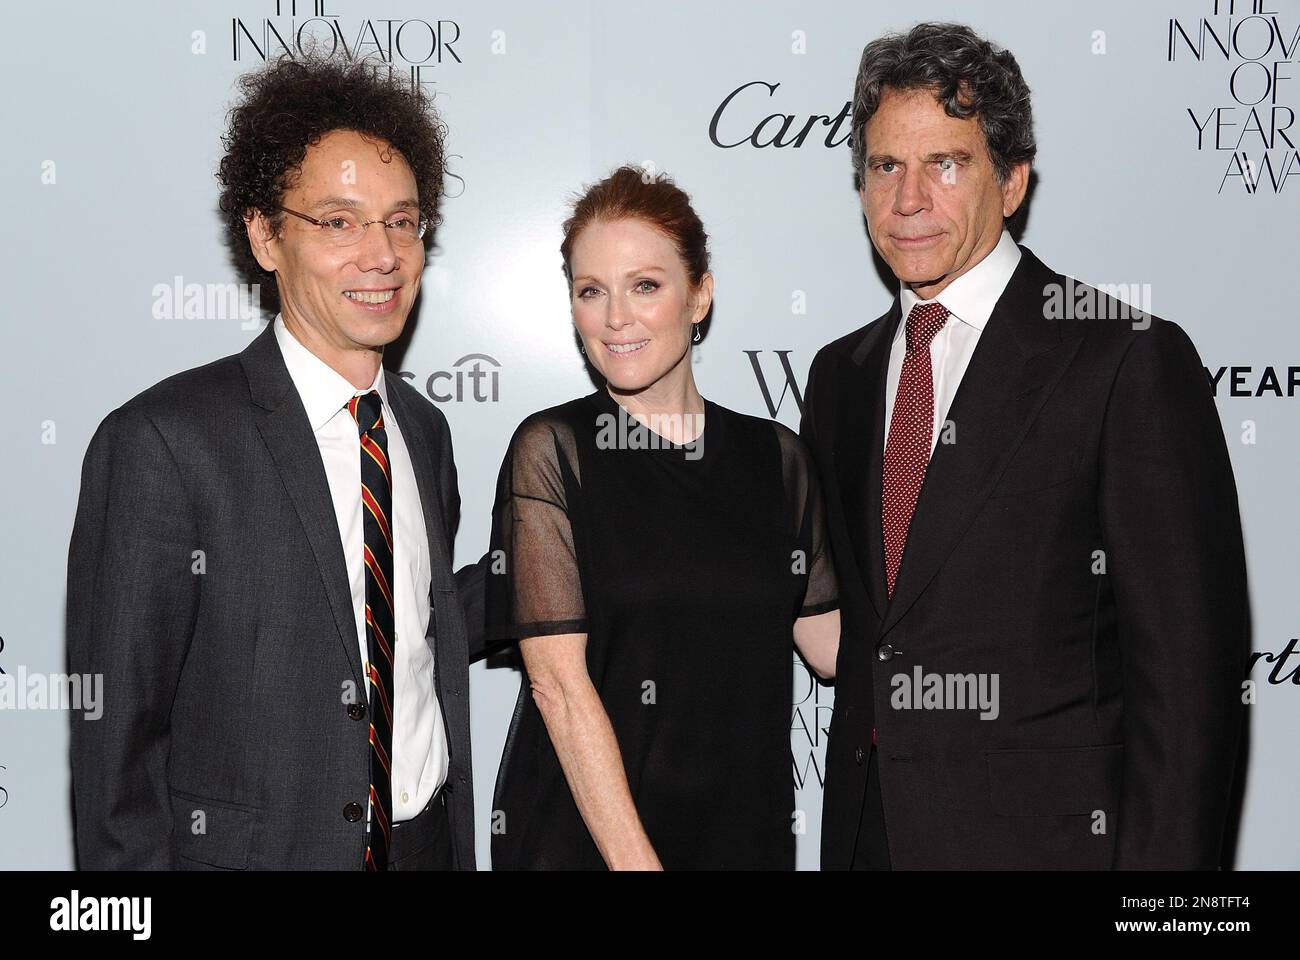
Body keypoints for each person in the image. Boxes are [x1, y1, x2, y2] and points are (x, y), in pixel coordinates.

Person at [803, 22, 1249, 870]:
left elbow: (1191, 692)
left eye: (946, 163)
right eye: (885, 165)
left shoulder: (1123, 359)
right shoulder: (841, 377)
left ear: (1011, 181)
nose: (907, 199)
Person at [67, 55, 479, 870]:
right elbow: (117, 757)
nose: (382, 254)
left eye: (402, 221)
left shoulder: (424, 433)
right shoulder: (163, 443)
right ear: (265, 235)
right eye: (338, 221)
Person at [484, 166, 841, 870]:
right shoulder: (554, 451)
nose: (617, 316)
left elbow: (831, 648)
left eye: (645, 285)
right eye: (592, 291)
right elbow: (557, 683)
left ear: (700, 296)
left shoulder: (776, 458)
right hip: (592, 845)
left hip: (744, 836)